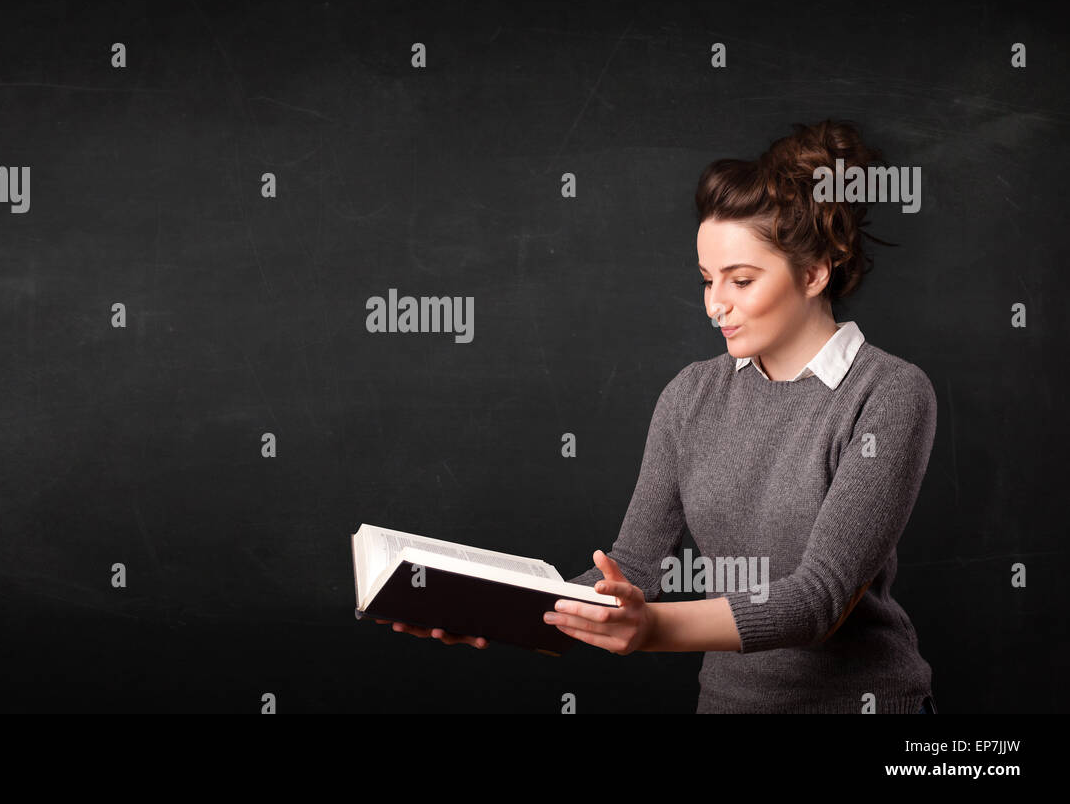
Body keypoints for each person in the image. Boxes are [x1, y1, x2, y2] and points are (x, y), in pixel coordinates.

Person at [380, 119, 938, 714]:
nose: (715, 303)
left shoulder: (889, 393)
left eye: (741, 280)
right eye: (706, 280)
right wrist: (504, 613)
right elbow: (638, 567)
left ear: (812, 274)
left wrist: (653, 631)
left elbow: (818, 601)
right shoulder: (691, 395)